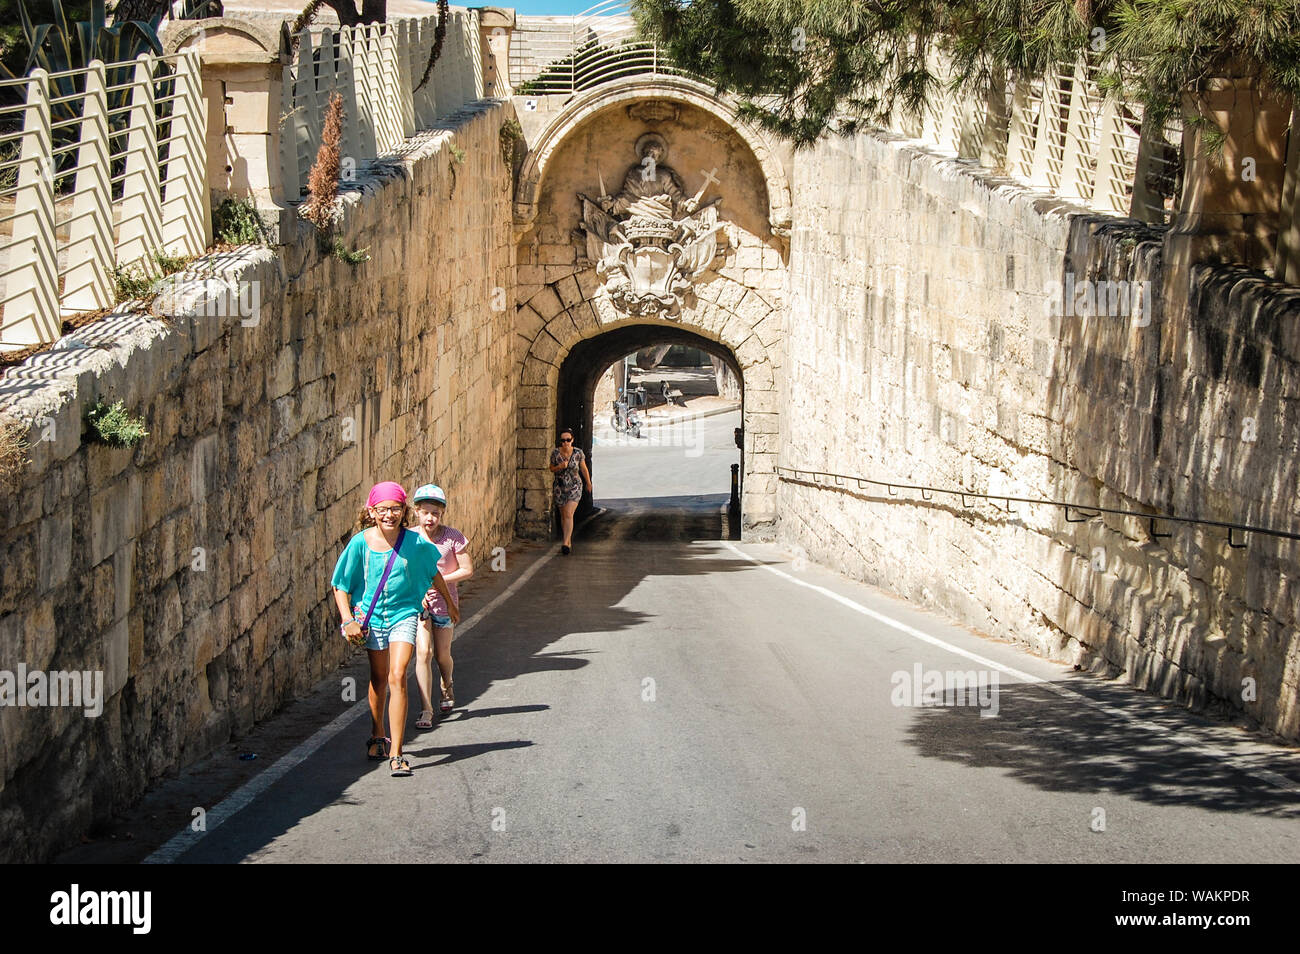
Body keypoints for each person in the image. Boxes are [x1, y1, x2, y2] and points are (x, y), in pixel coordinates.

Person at [332, 481, 460, 777]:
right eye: (382, 509)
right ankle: (378, 734)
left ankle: (397, 753)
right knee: (378, 679)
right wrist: (347, 620)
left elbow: (432, 571)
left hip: (404, 614)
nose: (389, 514)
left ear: (404, 511)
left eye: (395, 508)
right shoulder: (360, 543)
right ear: (371, 511)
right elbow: (340, 585)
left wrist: (448, 603)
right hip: (371, 618)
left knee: (398, 674)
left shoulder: (414, 543)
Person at [410, 483, 473, 728]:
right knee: (423, 653)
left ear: (442, 514)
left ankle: (447, 684)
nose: (430, 518)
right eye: (425, 512)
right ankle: (426, 709)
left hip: (446, 605)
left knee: (442, 655)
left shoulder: (453, 538)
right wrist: (418, 590)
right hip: (419, 605)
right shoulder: (410, 538)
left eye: (435, 513)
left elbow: (467, 570)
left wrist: (439, 582)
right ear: (417, 511)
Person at [549, 427, 591, 555]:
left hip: (575, 486)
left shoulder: (578, 453)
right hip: (560, 487)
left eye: (568, 440)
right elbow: (551, 468)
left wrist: (588, 482)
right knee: (563, 516)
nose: (565, 443)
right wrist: (559, 467)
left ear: (572, 440)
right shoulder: (556, 453)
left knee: (568, 513)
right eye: (563, 440)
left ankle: (565, 543)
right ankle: (567, 541)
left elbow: (583, 469)